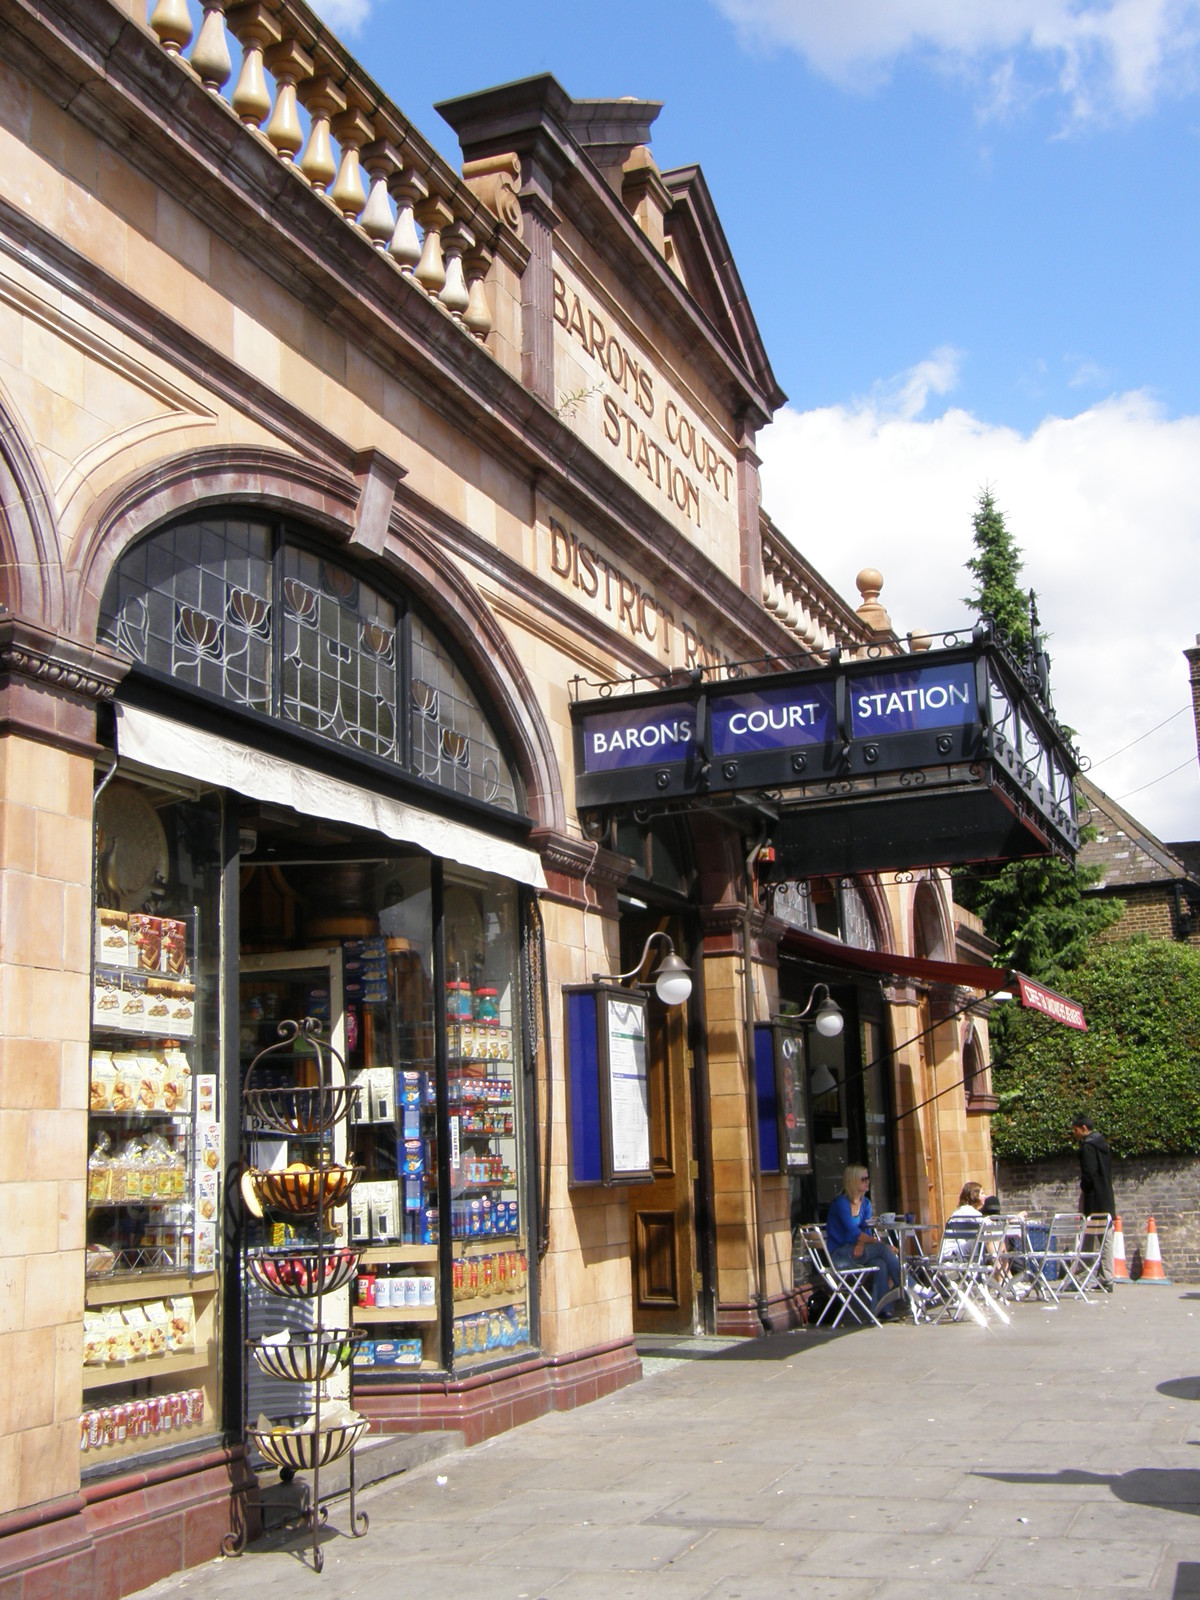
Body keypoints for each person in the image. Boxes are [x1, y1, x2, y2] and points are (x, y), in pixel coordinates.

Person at [826, 1164, 902, 1319]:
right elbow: (852, 1231)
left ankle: (882, 1310)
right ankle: (908, 1285)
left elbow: (864, 1230)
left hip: (857, 1251)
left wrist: (861, 1243)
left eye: (868, 1178)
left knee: (880, 1263)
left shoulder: (866, 1203)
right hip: (840, 1254)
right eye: (863, 1179)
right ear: (853, 1181)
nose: (867, 1182)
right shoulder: (841, 1204)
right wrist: (882, 1245)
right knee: (882, 1250)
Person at [1071, 1115, 1116, 1292]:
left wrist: (1084, 1187)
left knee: (1088, 1235)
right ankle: (1107, 1277)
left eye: (1075, 1130)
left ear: (1083, 1128)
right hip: (1106, 1196)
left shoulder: (1087, 1146)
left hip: (1093, 1198)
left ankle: (1081, 1275)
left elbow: (1088, 1173)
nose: (1074, 1134)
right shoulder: (1103, 1144)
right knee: (1106, 1237)